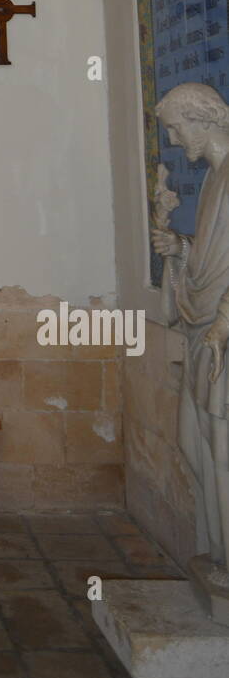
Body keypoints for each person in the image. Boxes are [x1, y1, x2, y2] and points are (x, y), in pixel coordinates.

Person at [152, 82, 229, 568]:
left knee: (220, 454)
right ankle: (218, 550)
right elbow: (212, 260)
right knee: (194, 443)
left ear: (200, 119)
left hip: (220, 336)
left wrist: (223, 323)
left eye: (176, 128)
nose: (176, 141)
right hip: (206, 330)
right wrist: (179, 249)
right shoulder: (212, 181)